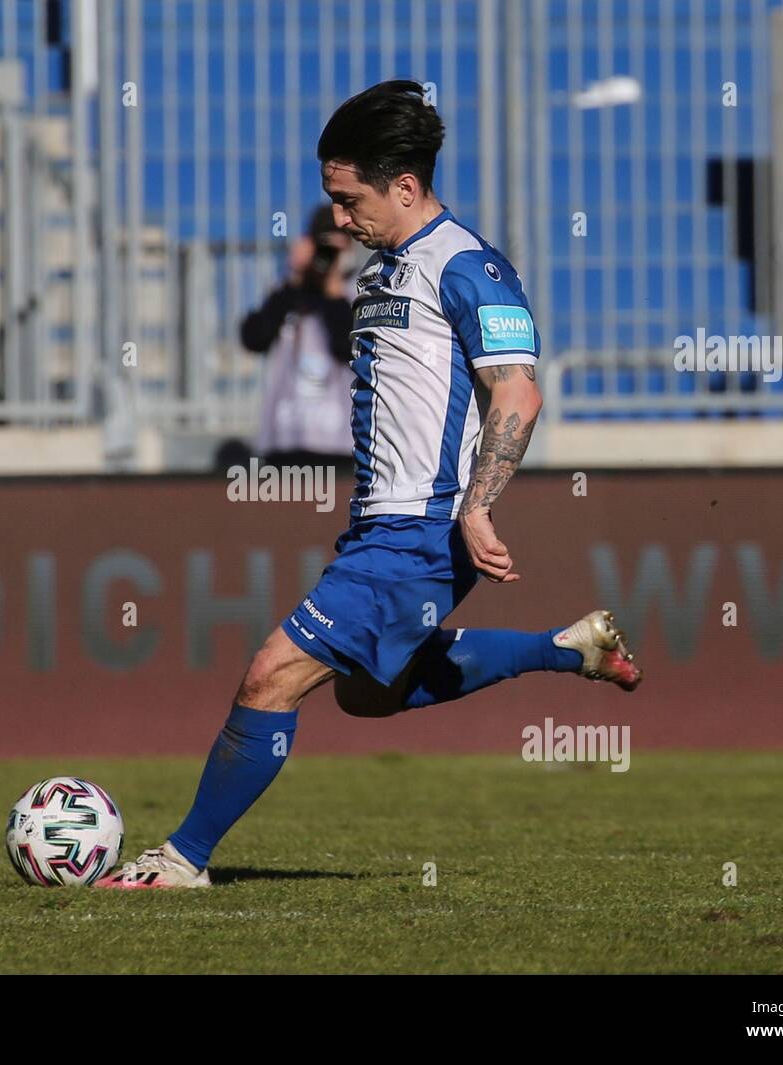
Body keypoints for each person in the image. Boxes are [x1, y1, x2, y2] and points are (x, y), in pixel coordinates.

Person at [98, 81, 642, 890]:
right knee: (366, 696)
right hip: (379, 526)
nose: (339, 219)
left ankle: (182, 859)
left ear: (406, 186)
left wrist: (478, 507)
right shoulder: (388, 267)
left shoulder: (468, 266)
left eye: (349, 200)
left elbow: (518, 391)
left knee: (271, 674)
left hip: (421, 530)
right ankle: (563, 648)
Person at [239, 206, 356, 470]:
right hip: (283, 441)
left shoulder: (354, 293)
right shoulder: (289, 293)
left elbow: (349, 347)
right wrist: (296, 279)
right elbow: (253, 338)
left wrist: (333, 292)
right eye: (323, 247)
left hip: (338, 444)